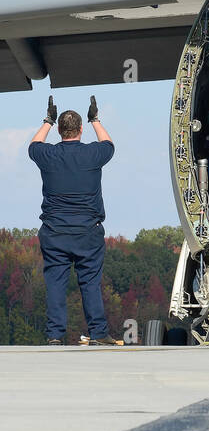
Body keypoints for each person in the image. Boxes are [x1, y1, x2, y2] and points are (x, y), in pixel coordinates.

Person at [28, 96, 123, 346]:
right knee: (90, 282)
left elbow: (34, 144)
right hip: (87, 233)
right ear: (81, 130)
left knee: (56, 284)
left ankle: (55, 336)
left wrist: (47, 120)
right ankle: (98, 333)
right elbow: (109, 144)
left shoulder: (47, 154)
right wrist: (96, 119)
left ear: (59, 131)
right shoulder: (93, 153)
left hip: (54, 231)